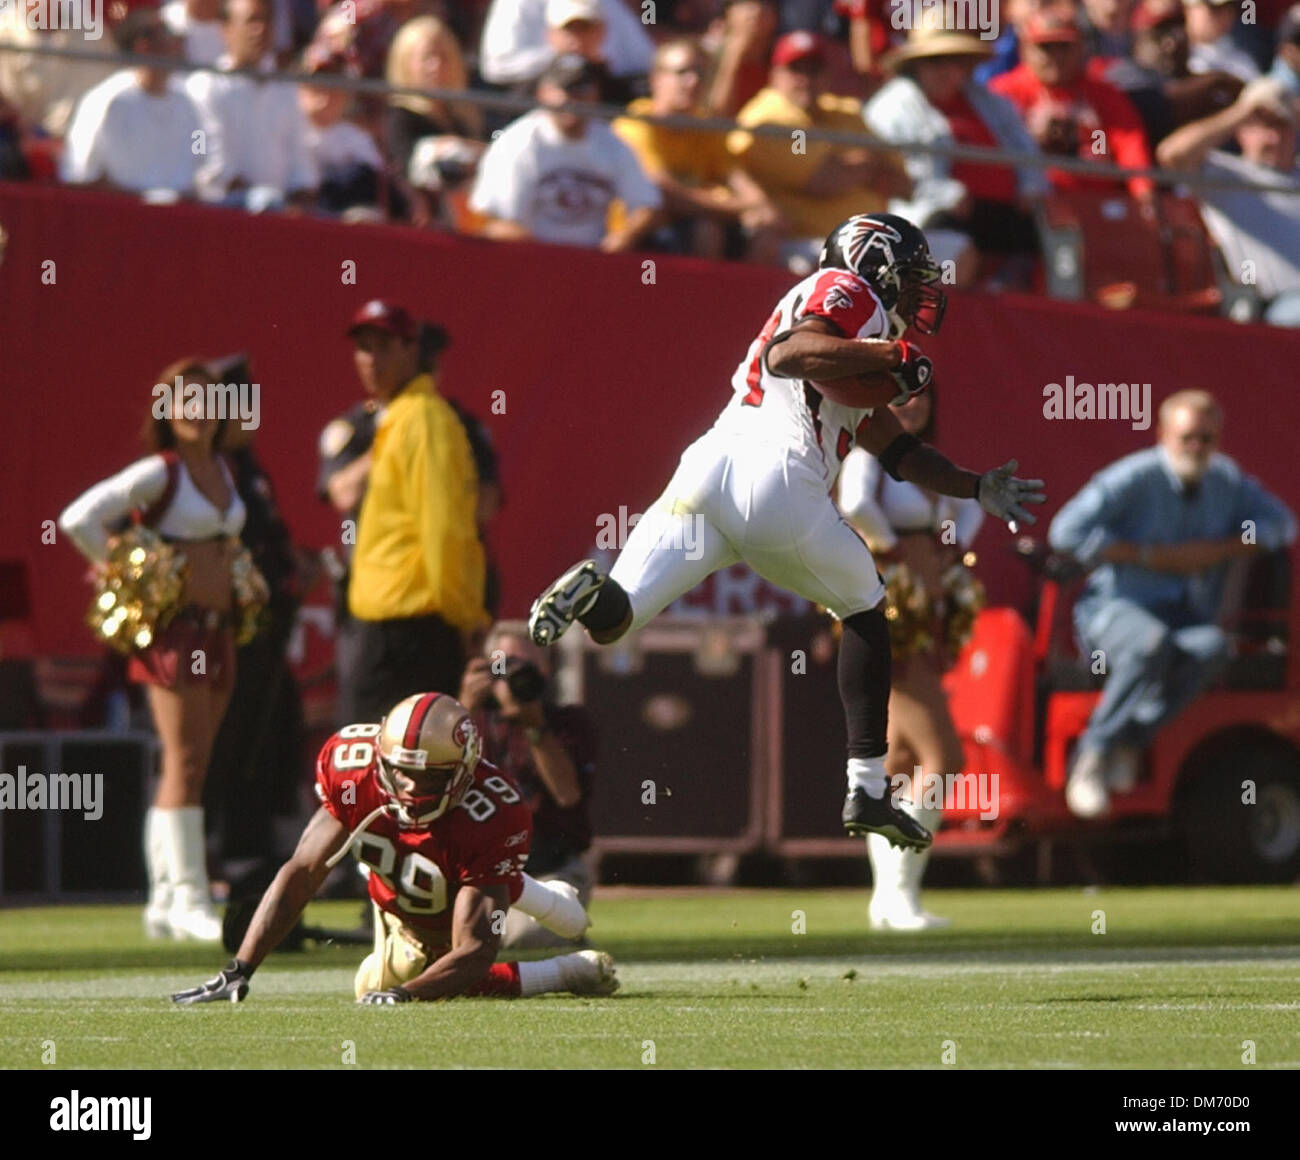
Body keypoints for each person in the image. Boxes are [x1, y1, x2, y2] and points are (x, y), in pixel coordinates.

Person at [527, 213, 1045, 843]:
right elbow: (790, 352)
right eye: (909, 278)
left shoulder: (854, 345)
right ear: (874, 263)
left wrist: (975, 486)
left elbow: (900, 453)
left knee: (616, 619)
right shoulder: (848, 292)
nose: (917, 294)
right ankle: (868, 788)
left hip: (709, 470)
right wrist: (889, 352)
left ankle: (590, 586)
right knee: (865, 604)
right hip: (776, 476)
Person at [171, 692, 619, 1003]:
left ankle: (525, 899)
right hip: (397, 896)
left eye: (428, 777)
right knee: (374, 985)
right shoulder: (352, 769)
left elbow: (476, 950)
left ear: (464, 773)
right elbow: (304, 870)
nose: (408, 788)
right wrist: (241, 967)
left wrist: (405, 996)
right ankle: (553, 953)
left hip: (455, 883)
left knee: (409, 981)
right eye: (399, 771)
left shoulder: (493, 812)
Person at [59, 359, 251, 941]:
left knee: (196, 763)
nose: (199, 411)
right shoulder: (159, 472)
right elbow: (78, 519)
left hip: (219, 630)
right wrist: (126, 572)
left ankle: (167, 900)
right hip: (177, 632)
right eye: (186, 401)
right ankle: (186, 896)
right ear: (167, 412)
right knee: (183, 762)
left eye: (209, 399)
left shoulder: (223, 468)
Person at [1048, 390, 1296, 818]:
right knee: (1150, 641)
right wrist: (1145, 555)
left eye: (1206, 438)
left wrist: (1225, 547)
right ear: (1163, 434)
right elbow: (1065, 531)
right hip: (1114, 609)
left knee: (1214, 647)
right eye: (1187, 438)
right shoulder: (1133, 477)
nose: (1197, 447)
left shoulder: (1227, 480)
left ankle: (1130, 739)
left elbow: (1280, 525)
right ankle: (1091, 757)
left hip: (1185, 615)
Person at [838, 387, 984, 929]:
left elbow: (968, 508)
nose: (914, 405)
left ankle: (890, 900)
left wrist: (952, 553)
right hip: (892, 608)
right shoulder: (868, 454)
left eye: (923, 396)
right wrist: (890, 550)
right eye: (900, 396)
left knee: (899, 760)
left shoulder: (926, 461)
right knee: (944, 758)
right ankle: (898, 894)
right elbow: (852, 503)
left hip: (926, 607)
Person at [338, 300, 488, 723]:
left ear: (411, 350)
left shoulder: (423, 419)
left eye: (383, 346)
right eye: (363, 347)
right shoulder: (402, 416)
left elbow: (445, 530)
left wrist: (465, 618)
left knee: (387, 770)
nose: (370, 359)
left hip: (410, 637)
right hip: (394, 634)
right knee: (374, 767)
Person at [864, 16, 1048, 281]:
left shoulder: (992, 103)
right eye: (935, 61)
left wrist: (1031, 187)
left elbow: (1027, 154)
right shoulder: (889, 108)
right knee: (951, 240)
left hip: (1005, 215)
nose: (946, 70)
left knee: (1050, 234)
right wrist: (944, 195)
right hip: (929, 219)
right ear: (917, 65)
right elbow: (891, 176)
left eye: (955, 60)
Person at [458, 626, 596, 948]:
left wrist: (535, 728)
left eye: (526, 666)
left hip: (548, 869)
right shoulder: (466, 723)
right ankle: (562, 933)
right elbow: (435, 786)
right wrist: (461, 712)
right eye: (504, 665)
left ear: (546, 669)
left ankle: (558, 930)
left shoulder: (568, 723)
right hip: (477, 873)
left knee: (521, 938)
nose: (513, 676)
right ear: (486, 668)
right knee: (451, 936)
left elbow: (567, 794)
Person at [726, 31, 912, 271]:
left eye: (814, 69)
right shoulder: (767, 116)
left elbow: (902, 183)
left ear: (827, 75)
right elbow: (824, 181)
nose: (805, 78)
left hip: (868, 245)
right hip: (800, 244)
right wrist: (870, 165)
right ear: (775, 74)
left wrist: (848, 166)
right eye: (796, 69)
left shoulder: (846, 110)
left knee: (946, 253)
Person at [613, 37, 784, 261]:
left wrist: (764, 210)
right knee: (707, 230)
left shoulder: (704, 126)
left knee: (767, 234)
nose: (692, 81)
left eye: (701, 74)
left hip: (697, 221)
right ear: (656, 79)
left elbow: (739, 180)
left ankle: (754, 296)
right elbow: (663, 193)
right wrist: (740, 209)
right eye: (682, 72)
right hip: (638, 235)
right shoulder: (635, 123)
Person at [469, 53, 662, 250]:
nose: (572, 99)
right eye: (565, 89)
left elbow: (646, 203)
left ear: (596, 94)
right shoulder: (516, 142)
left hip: (593, 262)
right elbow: (497, 224)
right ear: (543, 93)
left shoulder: (612, 143)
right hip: (527, 259)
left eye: (582, 89)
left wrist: (623, 237)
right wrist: (549, 258)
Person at [1155, 76, 1300, 325]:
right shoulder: (1224, 175)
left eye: (1281, 126)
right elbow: (1172, 154)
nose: (1273, 138)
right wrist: (1243, 109)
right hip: (1273, 305)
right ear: (1241, 131)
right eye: (1263, 125)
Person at [990, 9, 1156, 199]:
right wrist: (1031, 136)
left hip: (1096, 200)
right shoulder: (1002, 92)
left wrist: (1092, 134)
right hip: (1033, 203)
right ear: (1024, 50)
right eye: (1045, 47)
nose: (1055, 56)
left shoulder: (1102, 93)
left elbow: (1129, 148)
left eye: (1063, 46)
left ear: (1081, 47)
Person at [186, 0, 318, 209]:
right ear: (226, 29)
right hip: (222, 209)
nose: (260, 30)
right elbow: (206, 158)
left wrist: (300, 200)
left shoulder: (285, 89)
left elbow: (301, 159)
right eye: (251, 21)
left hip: (280, 211)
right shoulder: (205, 86)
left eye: (267, 21)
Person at [60, 10, 204, 198]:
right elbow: (81, 174)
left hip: (179, 215)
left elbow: (199, 159)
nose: (176, 47)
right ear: (143, 47)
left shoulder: (188, 103)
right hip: (120, 214)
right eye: (166, 37)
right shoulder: (105, 101)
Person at [384, 15, 484, 228]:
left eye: (444, 57)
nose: (436, 66)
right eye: (427, 57)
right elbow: (406, 169)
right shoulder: (399, 118)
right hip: (422, 224)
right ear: (406, 62)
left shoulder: (462, 118)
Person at [479, 0, 654, 93]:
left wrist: (597, 62)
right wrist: (558, 57)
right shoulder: (516, 3)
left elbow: (645, 61)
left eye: (584, 29)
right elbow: (495, 67)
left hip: (603, 106)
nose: (578, 35)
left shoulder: (610, 4)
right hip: (535, 105)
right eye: (572, 30)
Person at [1184, 0, 1260, 83]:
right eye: (1215, 9)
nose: (1225, 15)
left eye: (1230, 9)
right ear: (1188, 9)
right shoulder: (1171, 48)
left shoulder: (1241, 62)